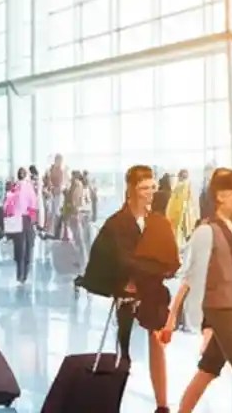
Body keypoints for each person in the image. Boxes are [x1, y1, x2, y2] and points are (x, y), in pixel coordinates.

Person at [165, 168, 232, 413]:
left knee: (208, 369)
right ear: (219, 196)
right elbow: (191, 279)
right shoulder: (206, 232)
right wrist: (175, 319)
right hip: (220, 309)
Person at [92, 165, 172, 413]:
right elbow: (111, 258)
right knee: (123, 348)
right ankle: (113, 398)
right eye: (144, 188)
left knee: (157, 341)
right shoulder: (116, 224)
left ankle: (162, 404)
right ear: (132, 189)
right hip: (127, 293)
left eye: (152, 187)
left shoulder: (157, 222)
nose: (150, 193)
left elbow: (166, 256)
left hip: (151, 291)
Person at [3, 169, 38, 284]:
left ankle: (19, 274)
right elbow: (33, 203)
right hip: (26, 219)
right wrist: (33, 219)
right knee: (28, 246)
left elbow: (7, 204)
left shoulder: (14, 187)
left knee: (19, 247)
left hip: (15, 219)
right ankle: (25, 275)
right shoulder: (29, 187)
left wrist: (8, 216)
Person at [166, 169, 197, 244]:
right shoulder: (185, 186)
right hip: (185, 213)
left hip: (181, 213)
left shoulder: (180, 187)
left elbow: (174, 202)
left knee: (181, 233)